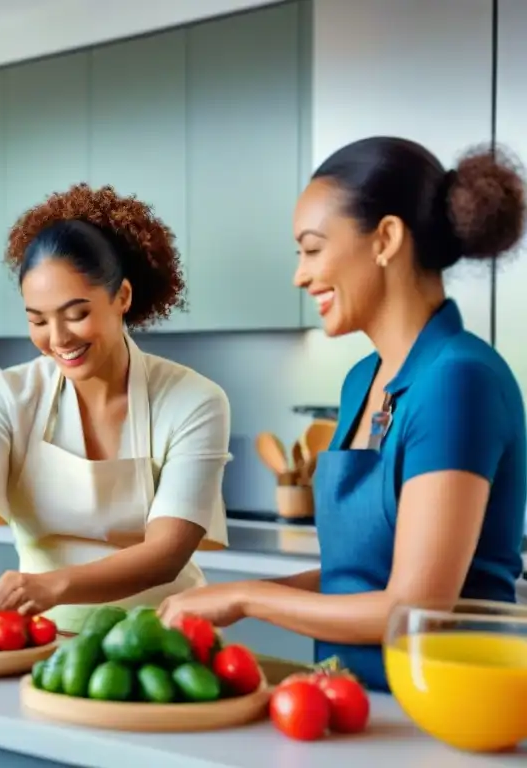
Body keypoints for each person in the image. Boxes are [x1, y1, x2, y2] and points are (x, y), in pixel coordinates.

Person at [158, 137, 527, 691]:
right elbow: (354, 581)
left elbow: (414, 606)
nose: (300, 275)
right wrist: (223, 599)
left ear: (385, 239)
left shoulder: (458, 380)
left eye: (311, 249)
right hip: (351, 698)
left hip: (440, 711)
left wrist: (245, 596)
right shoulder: (363, 380)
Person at [0, 184, 232, 632]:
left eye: (75, 314)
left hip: (165, 644)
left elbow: (166, 553)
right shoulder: (12, 395)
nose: (57, 338)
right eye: (37, 320)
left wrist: (49, 588)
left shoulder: (193, 400)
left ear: (123, 297)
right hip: (42, 641)